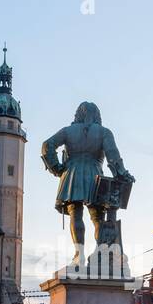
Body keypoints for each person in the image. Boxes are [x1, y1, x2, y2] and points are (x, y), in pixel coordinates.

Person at [41, 101, 134, 252]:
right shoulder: (104, 132)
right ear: (98, 115)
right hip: (95, 175)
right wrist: (123, 174)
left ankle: (79, 255)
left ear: (78, 114)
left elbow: (47, 145)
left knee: (75, 213)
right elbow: (113, 157)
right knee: (98, 217)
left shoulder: (68, 131)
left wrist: (57, 168)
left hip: (72, 175)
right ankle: (102, 252)